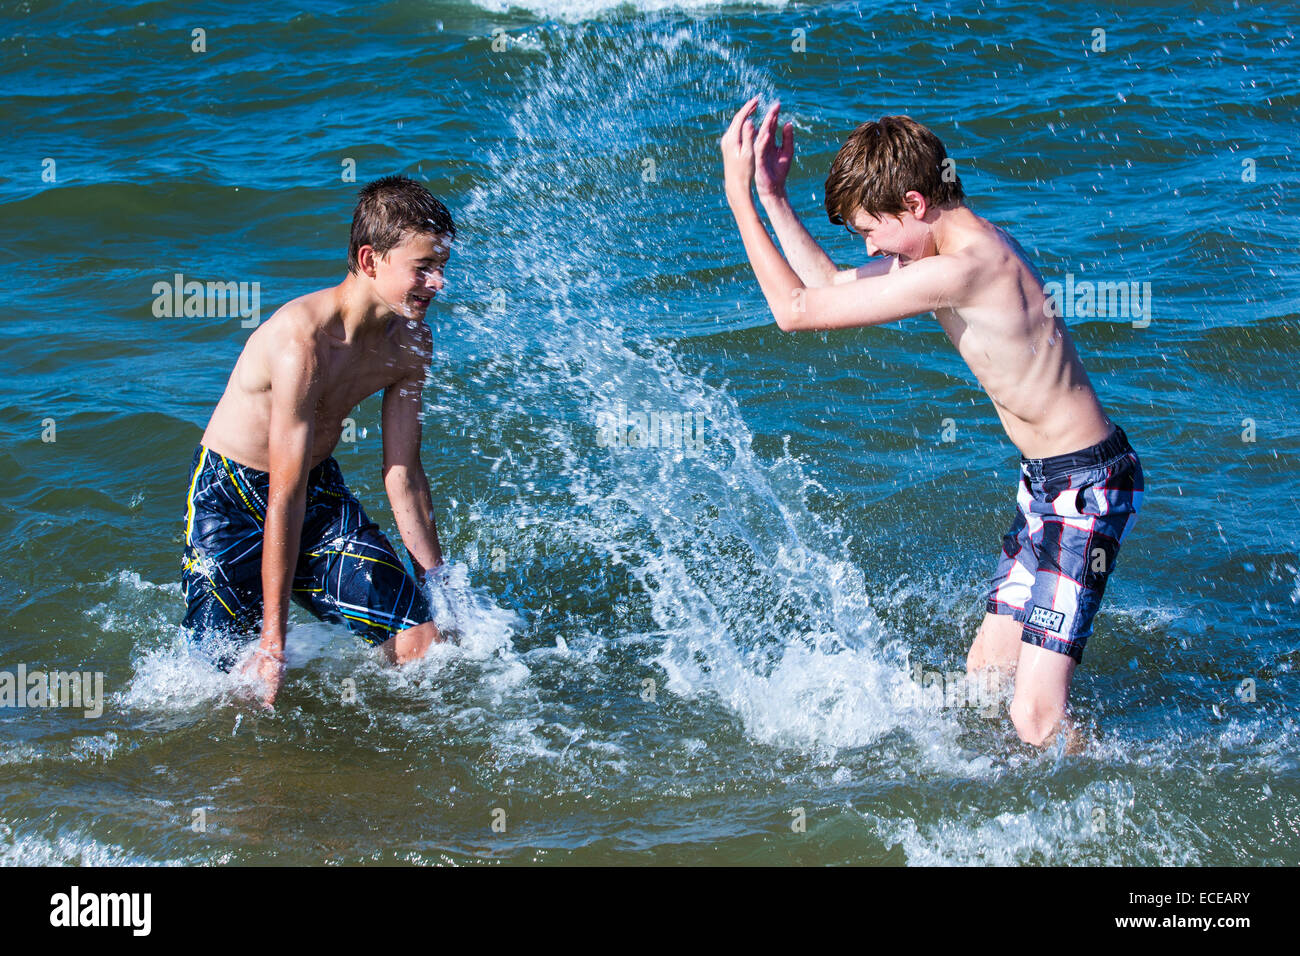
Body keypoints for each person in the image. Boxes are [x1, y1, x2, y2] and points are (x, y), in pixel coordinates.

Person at [719, 97, 1143, 747]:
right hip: (1046, 483)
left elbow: (795, 310)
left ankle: (1129, 798)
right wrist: (774, 196)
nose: (870, 246)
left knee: (1034, 718)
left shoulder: (965, 270)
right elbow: (828, 284)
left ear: (915, 204)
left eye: (871, 231)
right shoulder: (958, 250)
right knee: (987, 676)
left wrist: (739, 198)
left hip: (1086, 490)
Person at [180, 175, 454, 708]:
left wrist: (439, 587)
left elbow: (403, 475)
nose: (438, 282)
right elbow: (282, 495)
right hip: (231, 499)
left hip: (316, 491)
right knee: (225, 686)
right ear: (370, 259)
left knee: (426, 644)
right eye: (423, 268)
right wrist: (273, 644)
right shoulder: (301, 342)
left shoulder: (412, 344)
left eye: (442, 266)